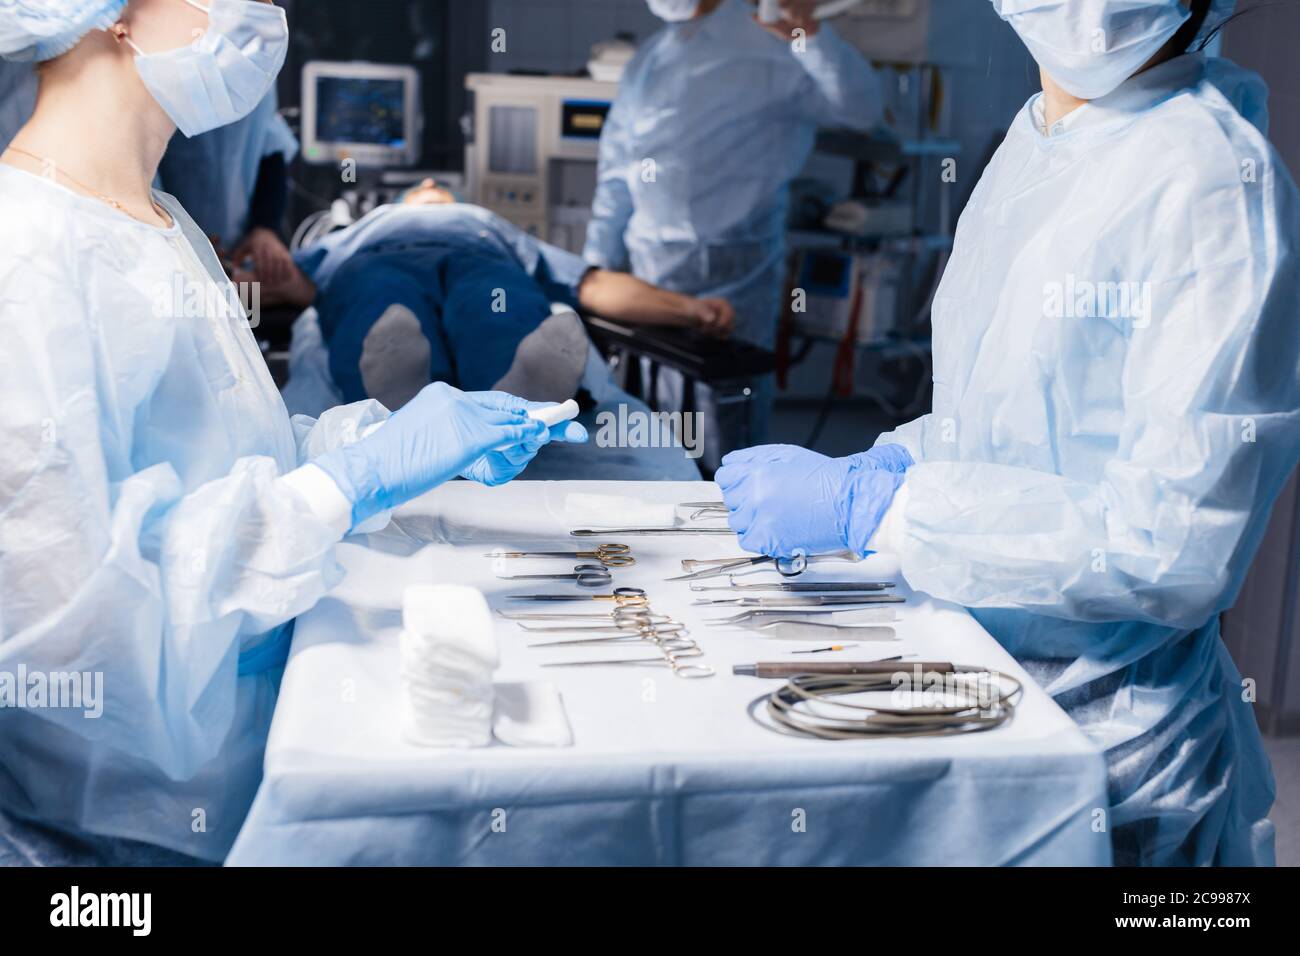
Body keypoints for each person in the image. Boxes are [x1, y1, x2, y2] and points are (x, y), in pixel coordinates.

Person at [716, 0, 1299, 866]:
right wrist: (894, 461)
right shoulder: (1041, 140)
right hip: (982, 673)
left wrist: (886, 509)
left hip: (1115, 744)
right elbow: (1003, 419)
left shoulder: (1212, 179)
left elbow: (1175, 547)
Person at [0, 0, 583, 865]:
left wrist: (380, 445)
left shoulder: (152, 222)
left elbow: (226, 462)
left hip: (258, 728)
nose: (262, 11)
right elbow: (72, 630)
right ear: (111, 13)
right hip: (139, 820)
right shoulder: (29, 253)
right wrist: (339, 489)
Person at [585, 0, 883, 471]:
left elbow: (862, 109)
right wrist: (593, 271)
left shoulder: (779, 41)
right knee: (654, 432)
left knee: (726, 436)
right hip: (648, 273)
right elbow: (617, 173)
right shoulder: (649, 58)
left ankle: (731, 528)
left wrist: (813, 37)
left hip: (737, 273)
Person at [242, 187, 735, 415]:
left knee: (493, 305)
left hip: (481, 261)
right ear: (411, 198)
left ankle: (521, 394)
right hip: (375, 262)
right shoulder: (363, 230)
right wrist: (245, 277)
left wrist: (688, 308)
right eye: (425, 188)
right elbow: (297, 287)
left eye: (441, 187)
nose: (432, 189)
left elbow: (593, 285)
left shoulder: (485, 223)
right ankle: (401, 398)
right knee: (382, 308)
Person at [157, 89, 299, 285]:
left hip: (234, 247)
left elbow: (269, 143)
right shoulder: (152, 74)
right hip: (160, 239)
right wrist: (168, 240)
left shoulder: (254, 68)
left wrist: (265, 227)